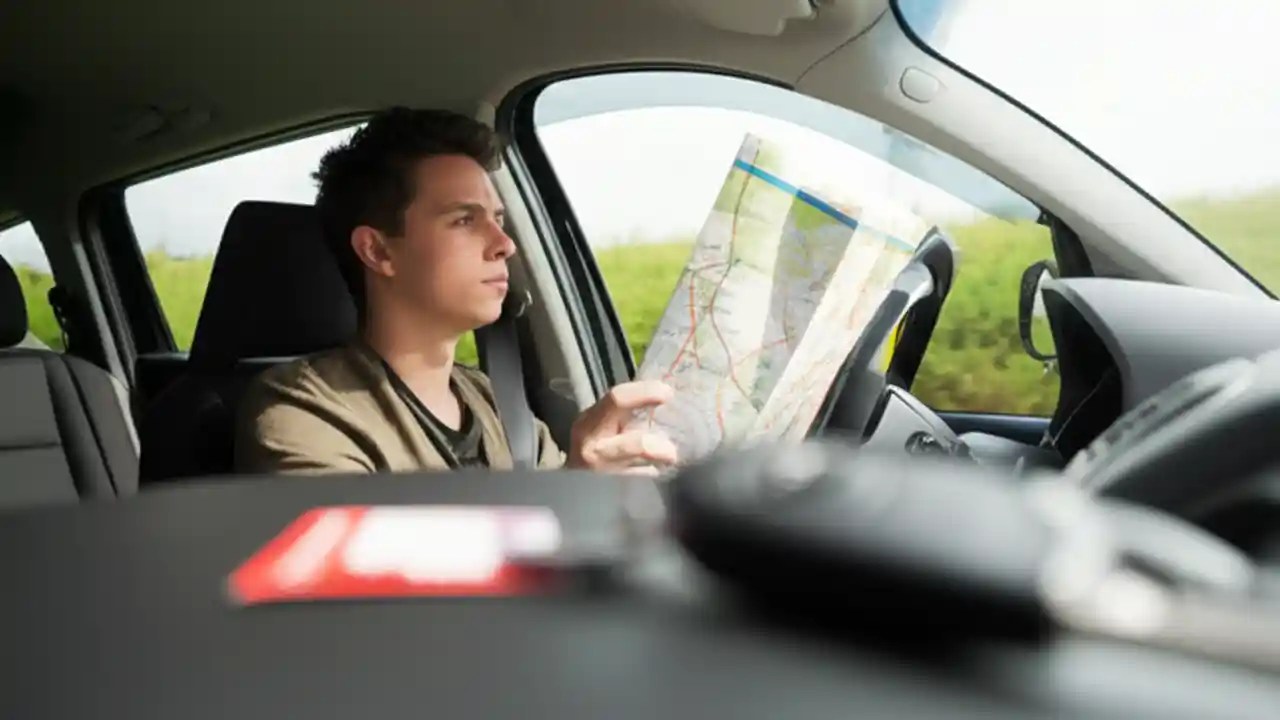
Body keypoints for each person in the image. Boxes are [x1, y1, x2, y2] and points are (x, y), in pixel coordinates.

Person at [234, 107, 678, 475]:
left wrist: (582, 485)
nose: (505, 244)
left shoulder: (500, 405)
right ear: (377, 250)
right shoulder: (305, 412)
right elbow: (364, 571)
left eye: (498, 220)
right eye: (464, 220)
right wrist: (569, 496)